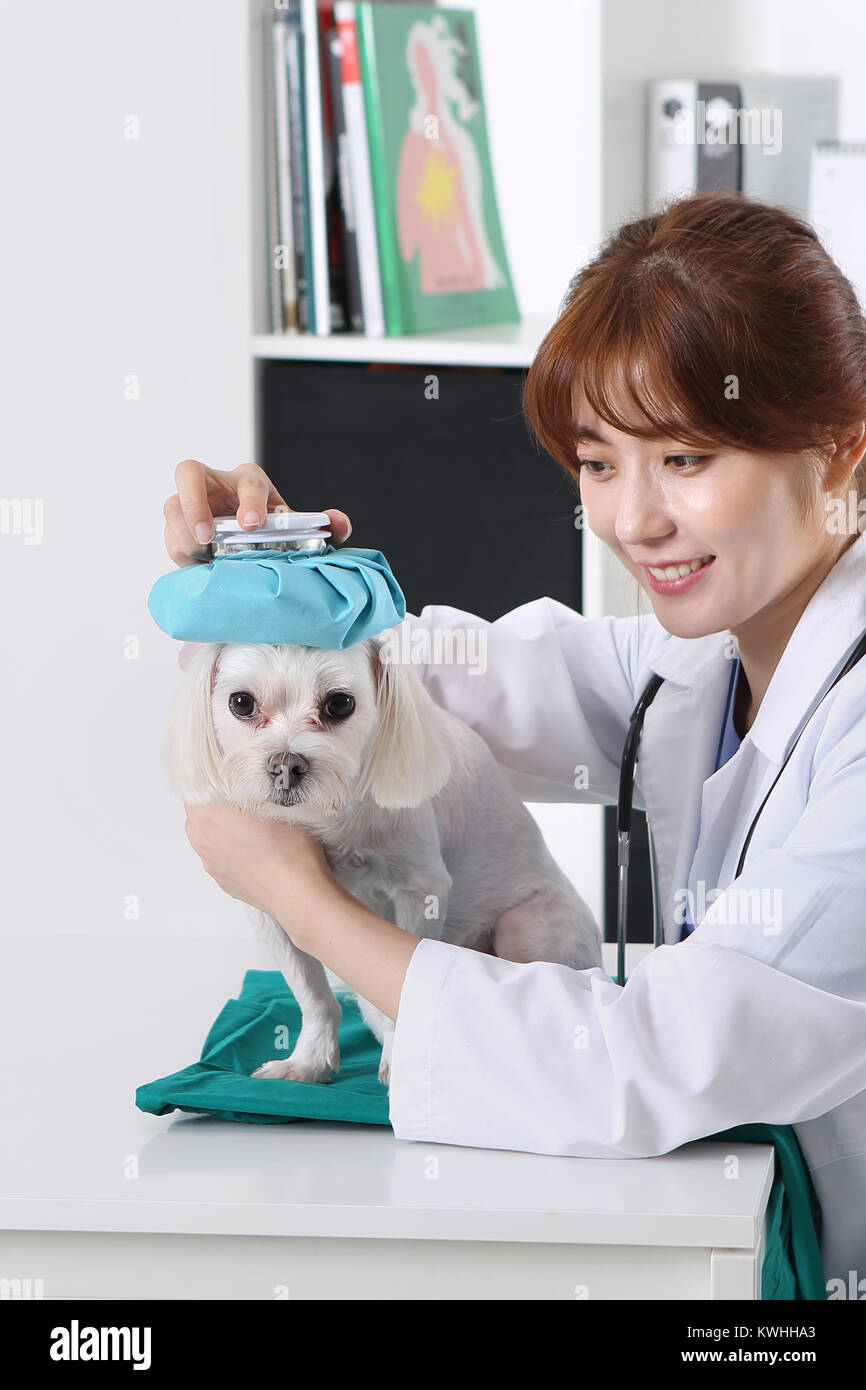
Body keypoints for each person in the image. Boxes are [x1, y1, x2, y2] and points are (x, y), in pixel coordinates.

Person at [164, 192, 866, 1291]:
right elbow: (428, 676)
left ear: (836, 452)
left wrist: (305, 902)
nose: (633, 519)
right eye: (599, 462)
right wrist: (273, 588)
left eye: (683, 458)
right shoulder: (694, 662)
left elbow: (641, 1060)